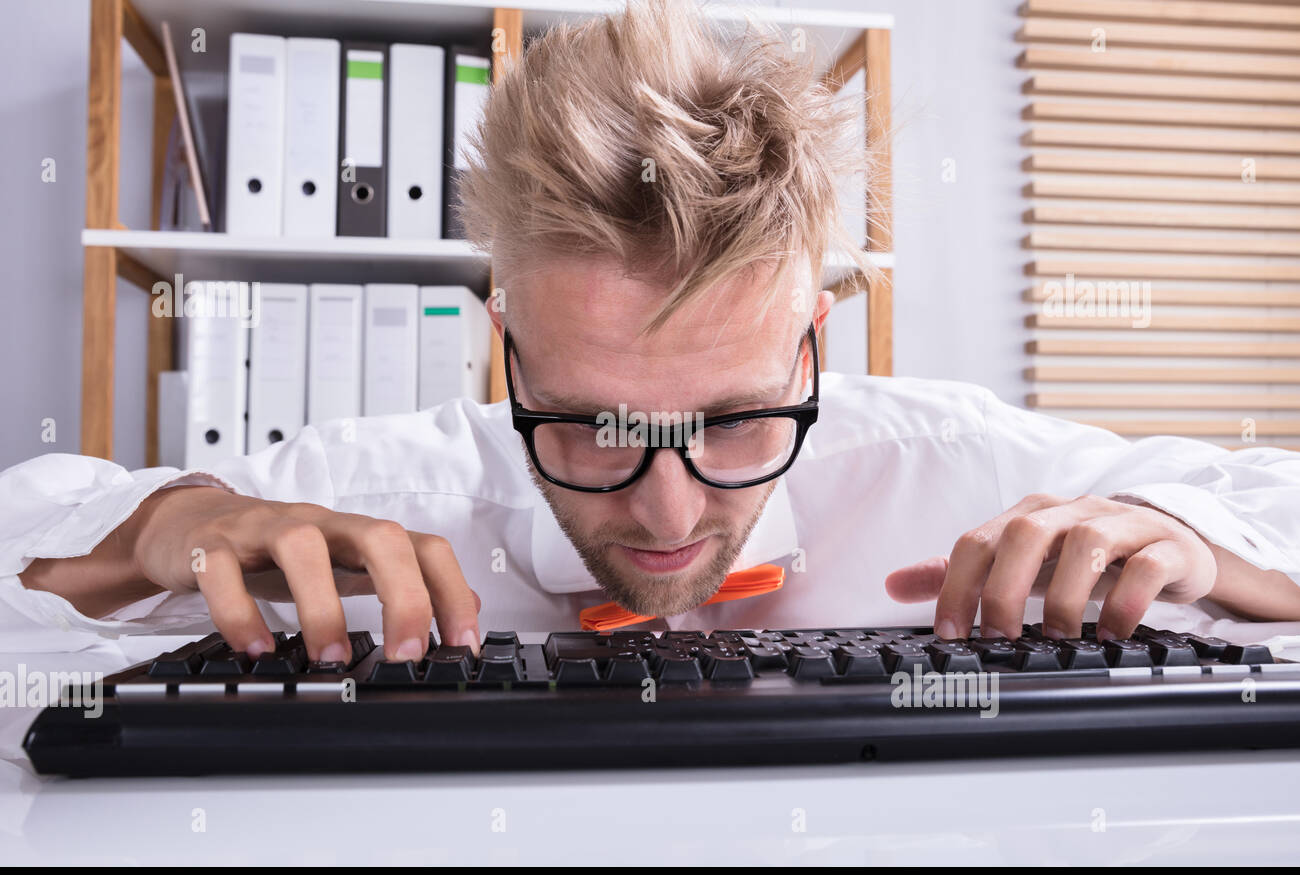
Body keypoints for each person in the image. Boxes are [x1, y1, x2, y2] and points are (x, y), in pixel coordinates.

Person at [3, 0, 1299, 665]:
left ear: (817, 348)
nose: (670, 509)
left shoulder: (952, 467)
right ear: (506, 349)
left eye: (737, 419)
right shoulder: (389, 495)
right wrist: (154, 533)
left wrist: (1207, 551)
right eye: (589, 424)